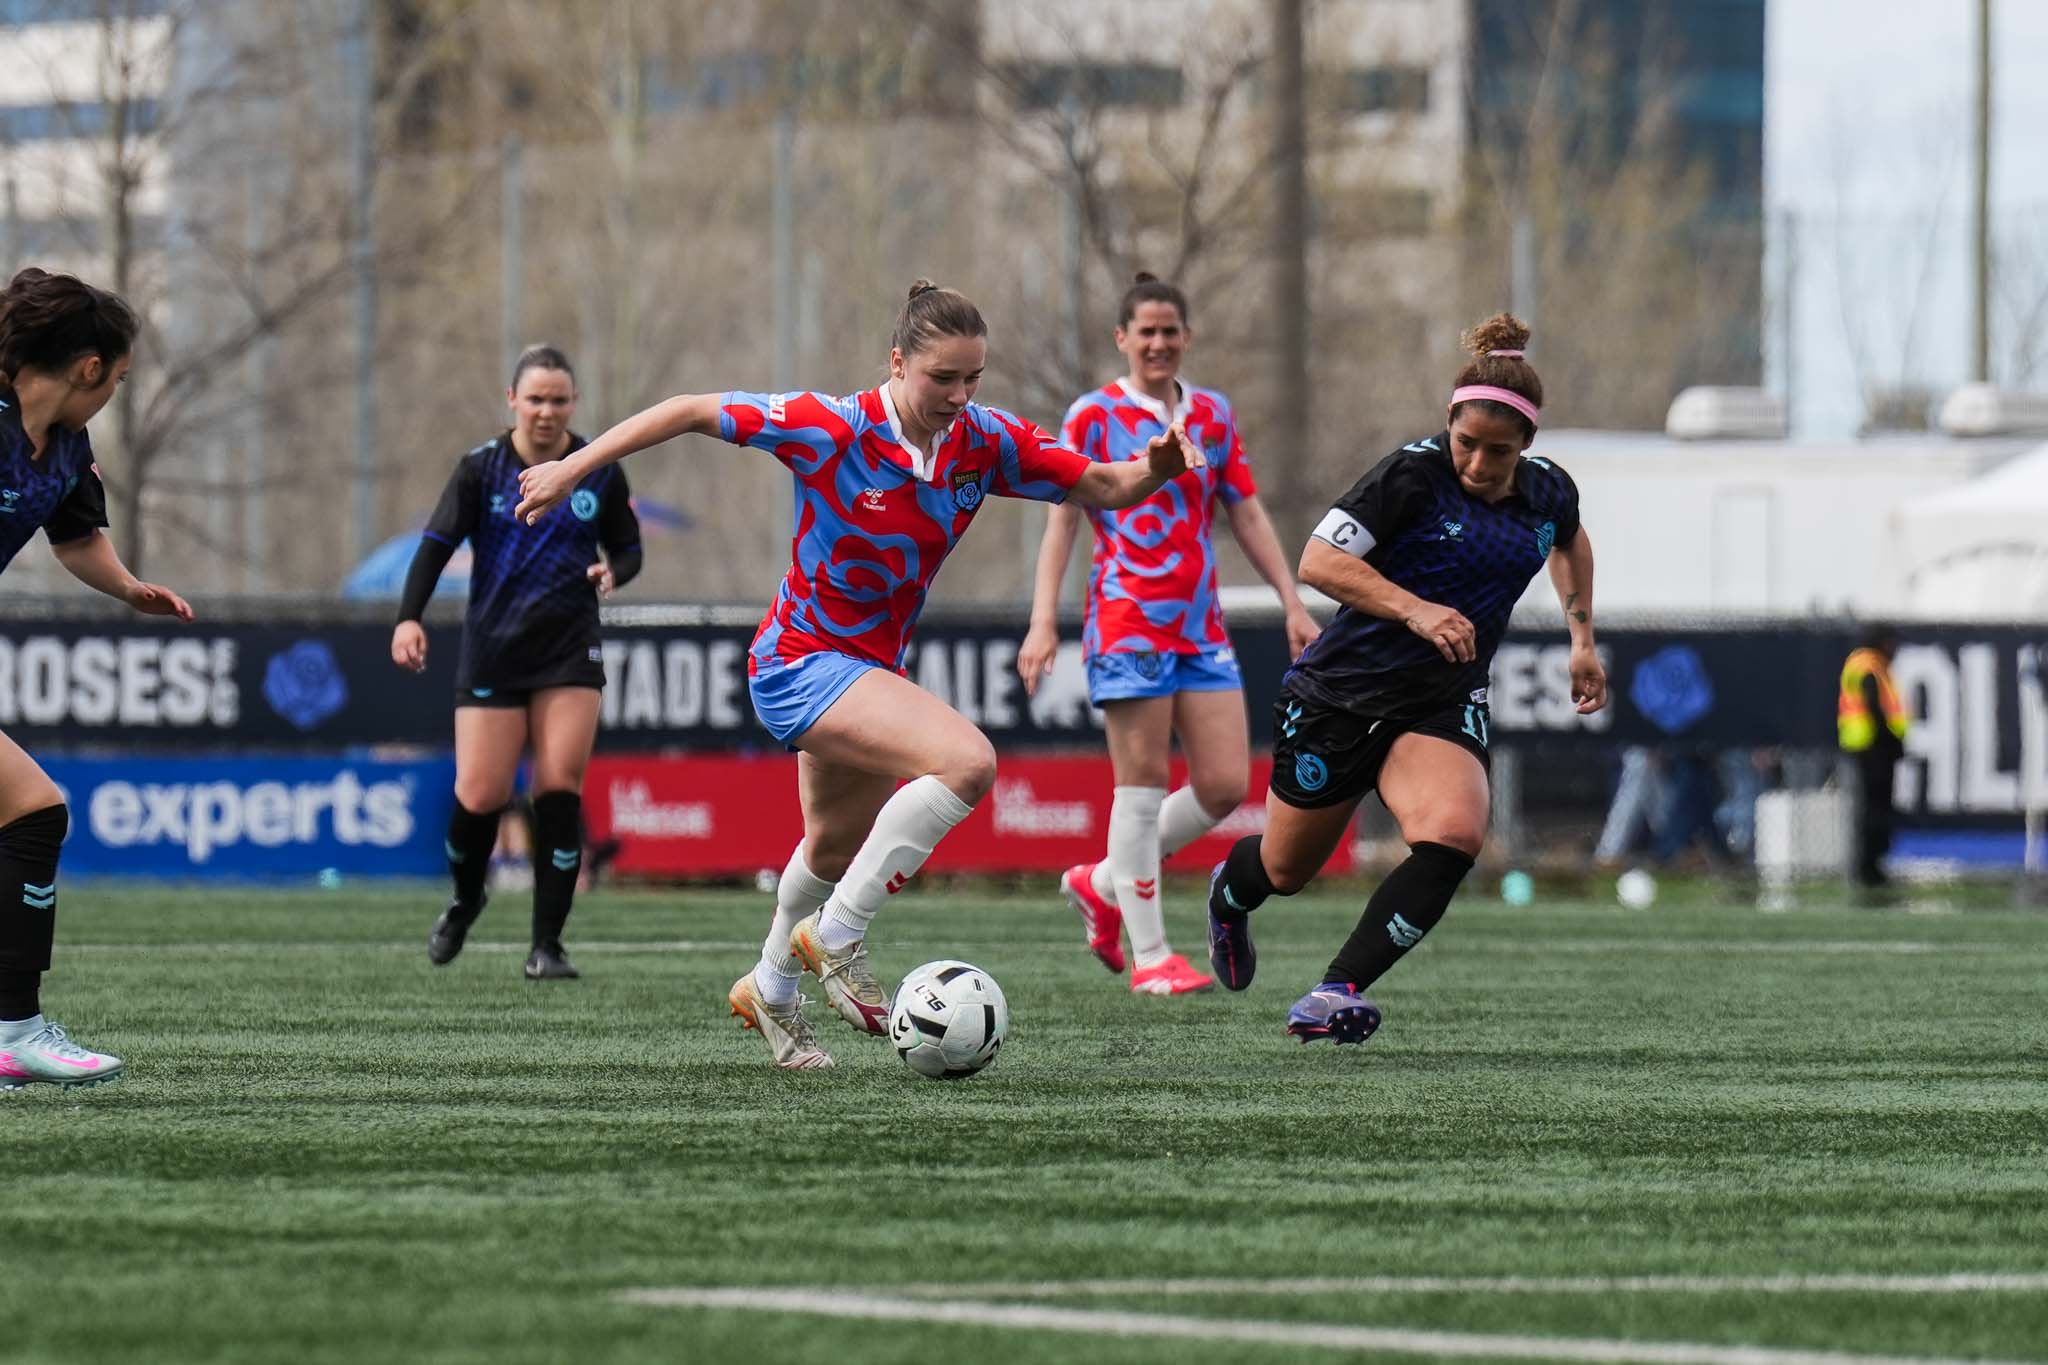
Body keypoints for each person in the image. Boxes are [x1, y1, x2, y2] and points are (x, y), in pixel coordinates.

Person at [514, 280, 1200, 1069]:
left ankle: (770, 986)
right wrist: (575, 469)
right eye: (942, 377)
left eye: (973, 378)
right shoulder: (832, 426)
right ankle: (838, 936)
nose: (959, 395)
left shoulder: (986, 440)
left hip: (867, 667)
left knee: (830, 846)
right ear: (898, 360)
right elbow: (690, 408)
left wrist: (1158, 466)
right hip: (798, 661)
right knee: (969, 761)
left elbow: (1108, 485)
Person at [1203, 313, 1606, 1044]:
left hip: (1440, 699)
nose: (1479, 463)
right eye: (1467, 443)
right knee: (1284, 869)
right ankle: (1229, 902)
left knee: (1454, 832)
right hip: (1340, 692)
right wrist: (1415, 609)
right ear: (1447, 423)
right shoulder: (1410, 475)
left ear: (1528, 447)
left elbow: (1571, 542)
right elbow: (1317, 562)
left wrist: (1582, 636)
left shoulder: (1548, 492)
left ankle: (1335, 991)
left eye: (1499, 451)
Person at [1018, 273, 1318, 997]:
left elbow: (1243, 510)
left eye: (1169, 330)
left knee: (1223, 784)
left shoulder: (1212, 413)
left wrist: (1292, 600)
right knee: (1142, 783)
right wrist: (1041, 620)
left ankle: (1101, 880)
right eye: (1144, 331)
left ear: (1186, 337)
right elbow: (1062, 518)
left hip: (1200, 624)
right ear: (1122, 339)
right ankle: (1151, 955)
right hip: (1126, 619)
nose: (1158, 343)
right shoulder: (1092, 415)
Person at [0, 267, 194, 1089]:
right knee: (34, 809)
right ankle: (16, 1032)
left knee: (34, 811)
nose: (117, 389)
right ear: (89, 368)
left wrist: (127, 587)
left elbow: (74, 536)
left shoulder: (67, 445)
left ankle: (16, 1031)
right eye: (118, 377)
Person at [391, 345, 641, 981]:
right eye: (535, 399)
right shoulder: (480, 470)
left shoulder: (598, 470)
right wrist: (409, 617)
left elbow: (628, 549)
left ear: (574, 404)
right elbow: (434, 546)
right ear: (512, 402)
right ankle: (466, 897)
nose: (546, 412)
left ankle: (547, 946)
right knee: (478, 795)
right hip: (494, 650)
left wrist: (613, 570)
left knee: (557, 789)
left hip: (569, 650)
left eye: (558, 400)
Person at [1837, 626, 1909, 894]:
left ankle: (1870, 865)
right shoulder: (1869, 666)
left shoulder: (1864, 664)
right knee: (1873, 811)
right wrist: (1891, 740)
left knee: (1871, 810)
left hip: (1867, 747)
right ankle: (1869, 867)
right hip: (1872, 749)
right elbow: (1876, 710)